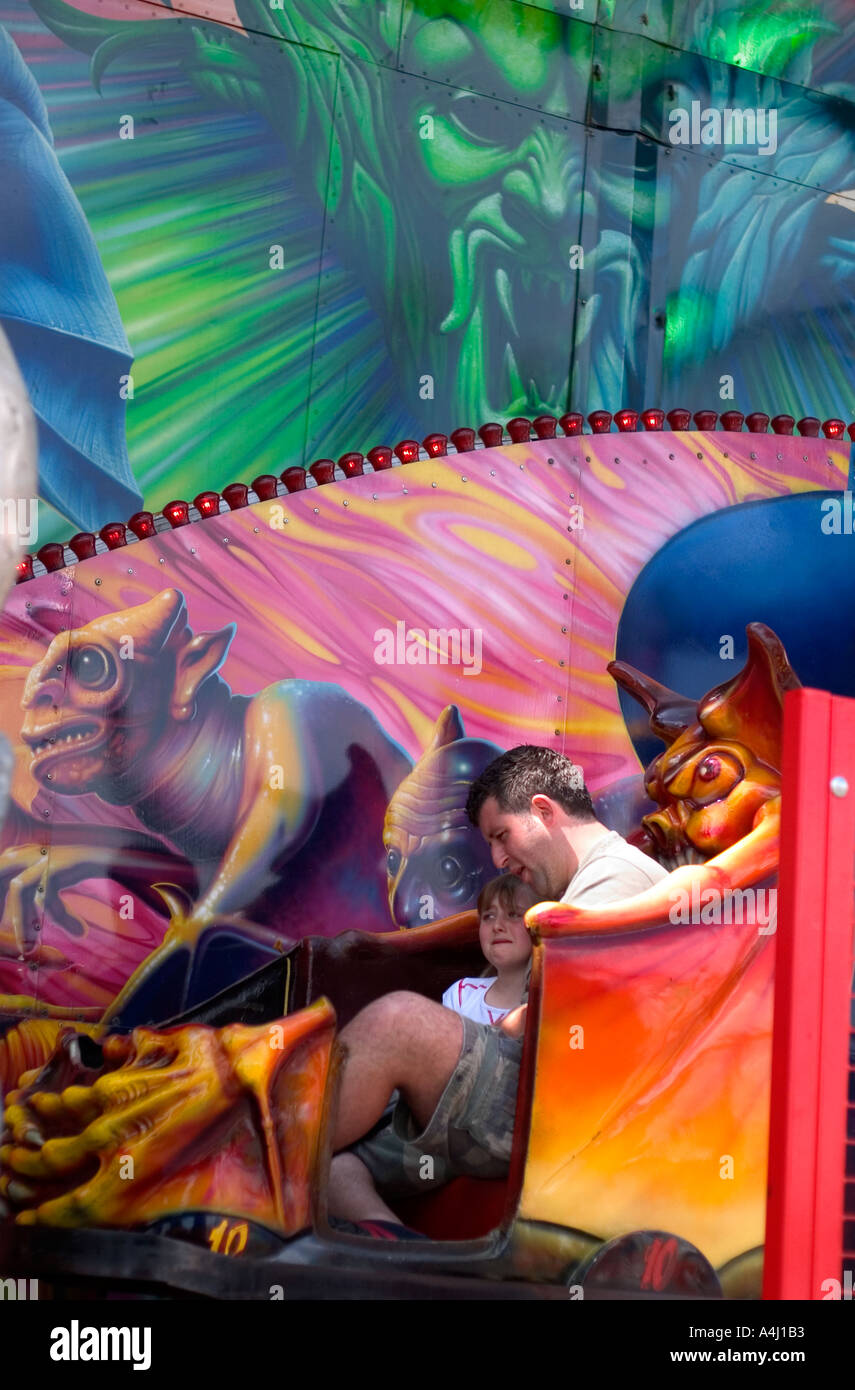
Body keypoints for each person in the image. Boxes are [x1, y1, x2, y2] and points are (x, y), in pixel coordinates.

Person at [327, 745, 668, 1235]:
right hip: (532, 1092)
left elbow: (550, 1022)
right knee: (340, 1170)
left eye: (501, 836)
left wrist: (443, 1040)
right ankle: (409, 1271)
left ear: (544, 811)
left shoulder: (616, 878)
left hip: (562, 1107)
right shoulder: (586, 886)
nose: (498, 859)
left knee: (397, 1022)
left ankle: (257, 1170)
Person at [442, 873, 537, 1026]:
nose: (497, 926)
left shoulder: (552, 1004)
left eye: (513, 914)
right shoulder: (461, 996)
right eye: (489, 916)